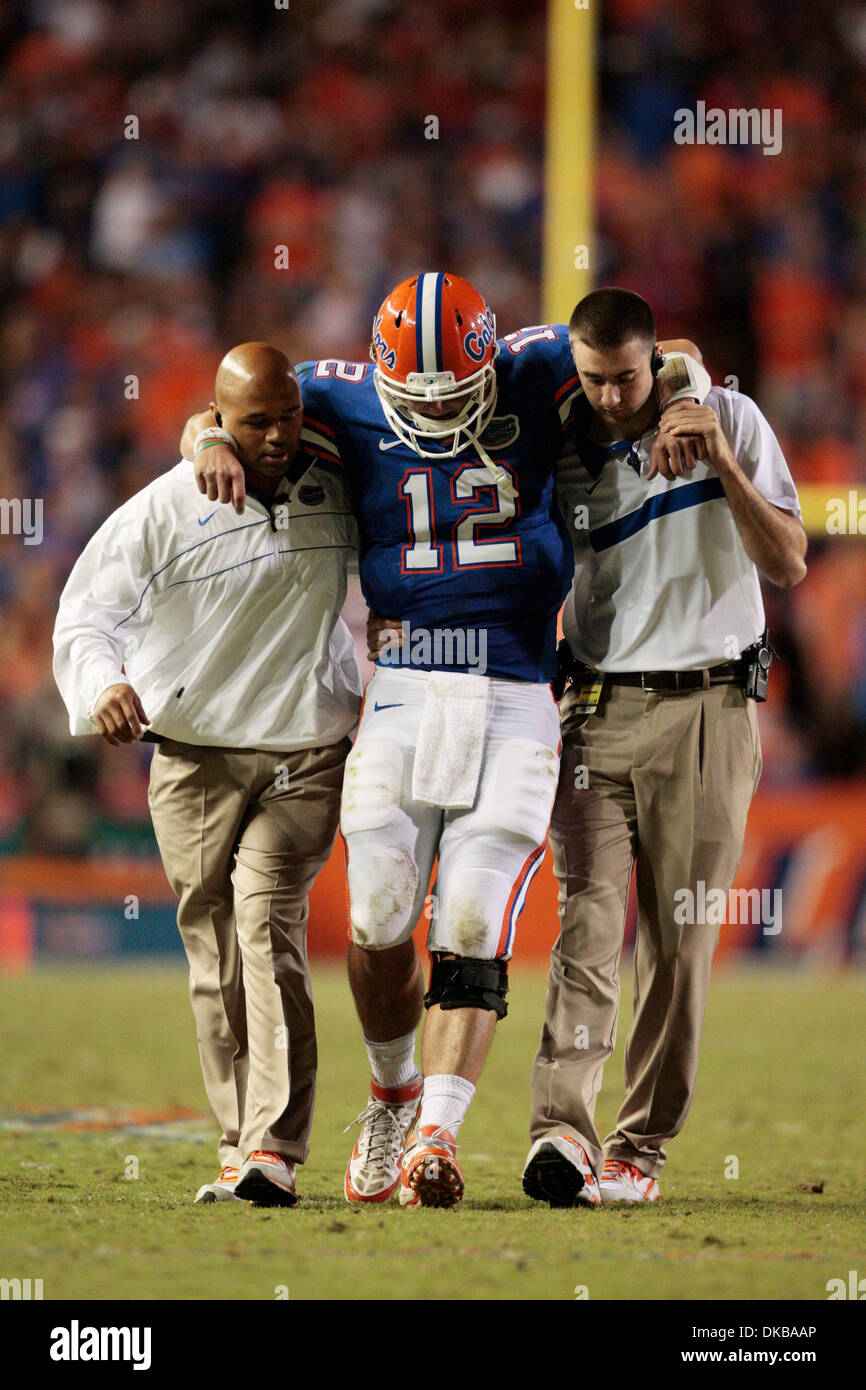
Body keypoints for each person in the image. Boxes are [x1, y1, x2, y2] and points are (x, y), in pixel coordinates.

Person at [188, 274, 708, 1209]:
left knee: (471, 917)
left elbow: (669, 357)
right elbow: (234, 407)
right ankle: (392, 1094)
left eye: (456, 394)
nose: (437, 415)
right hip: (404, 686)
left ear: (489, 363)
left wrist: (691, 400)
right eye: (418, 398)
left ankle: (438, 1133)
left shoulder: (541, 367)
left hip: (514, 688)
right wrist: (204, 437)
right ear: (383, 374)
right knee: (380, 916)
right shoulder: (336, 396)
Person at [53, 343, 361, 1208]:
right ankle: (238, 1141)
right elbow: (85, 614)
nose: (275, 435)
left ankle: (273, 1147)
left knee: (267, 926)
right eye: (253, 421)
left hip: (305, 748)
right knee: (214, 946)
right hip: (192, 755)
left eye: (288, 416)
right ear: (216, 421)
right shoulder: (165, 508)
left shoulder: (340, 478)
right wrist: (104, 684)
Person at [522, 288, 807, 1209]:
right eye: (593, 378)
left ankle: (639, 1148)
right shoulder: (565, 444)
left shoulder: (729, 417)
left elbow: (790, 559)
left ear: (655, 362)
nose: (610, 396)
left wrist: (718, 451)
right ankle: (563, 1130)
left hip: (708, 705)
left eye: (626, 377)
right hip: (597, 707)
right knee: (588, 926)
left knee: (678, 946)